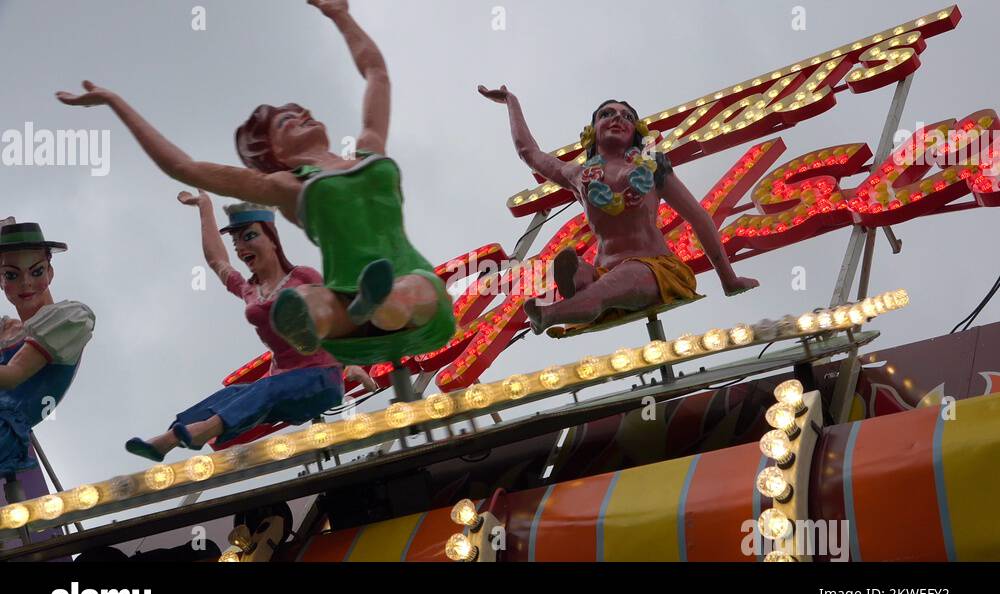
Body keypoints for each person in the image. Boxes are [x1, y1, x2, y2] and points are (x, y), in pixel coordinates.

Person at [57, 0, 454, 367]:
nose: (304, 116)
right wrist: (115, 103)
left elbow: (376, 74)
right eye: (288, 121)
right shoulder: (288, 187)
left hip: (412, 286)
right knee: (308, 300)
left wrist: (340, 16)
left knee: (411, 290)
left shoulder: (369, 151)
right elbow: (185, 167)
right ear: (274, 151)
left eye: (304, 112)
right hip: (345, 299)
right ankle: (335, 314)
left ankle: (378, 304)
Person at [479, 87, 760, 333]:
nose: (618, 118)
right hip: (605, 269)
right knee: (585, 273)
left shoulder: (652, 168)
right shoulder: (578, 175)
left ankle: (550, 313)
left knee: (609, 286)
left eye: (627, 117)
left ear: (636, 132)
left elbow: (699, 219)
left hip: (656, 270)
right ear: (593, 131)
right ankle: (578, 281)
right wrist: (511, 102)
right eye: (607, 114)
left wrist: (728, 279)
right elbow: (530, 153)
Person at [124, 195, 375, 462]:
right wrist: (204, 207)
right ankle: (170, 440)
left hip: (320, 380)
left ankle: (199, 431)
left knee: (267, 389)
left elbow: (335, 321)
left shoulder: (303, 277)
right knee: (233, 394)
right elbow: (217, 261)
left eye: (249, 237)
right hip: (282, 386)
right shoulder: (250, 291)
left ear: (272, 239)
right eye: (236, 242)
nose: (241, 248)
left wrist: (353, 366)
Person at [0, 219, 95, 476]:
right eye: (11, 275)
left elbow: (12, 376)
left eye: (37, 271)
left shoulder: (69, 318)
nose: (25, 283)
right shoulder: (5, 330)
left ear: (50, 272)